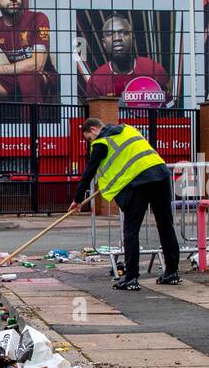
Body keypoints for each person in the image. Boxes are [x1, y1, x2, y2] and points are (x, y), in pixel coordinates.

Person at [72, 117, 180, 290]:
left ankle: (131, 278)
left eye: (88, 138)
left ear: (93, 130)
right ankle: (172, 273)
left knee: (131, 230)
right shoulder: (128, 129)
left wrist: (77, 200)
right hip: (161, 174)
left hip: (139, 182)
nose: (90, 142)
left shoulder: (102, 142)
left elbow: (89, 172)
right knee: (166, 225)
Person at [84, 14, 170, 100]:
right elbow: (95, 113)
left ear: (132, 38)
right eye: (110, 34)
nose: (117, 38)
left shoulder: (155, 70)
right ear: (104, 44)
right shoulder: (95, 82)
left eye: (123, 32)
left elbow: (170, 111)